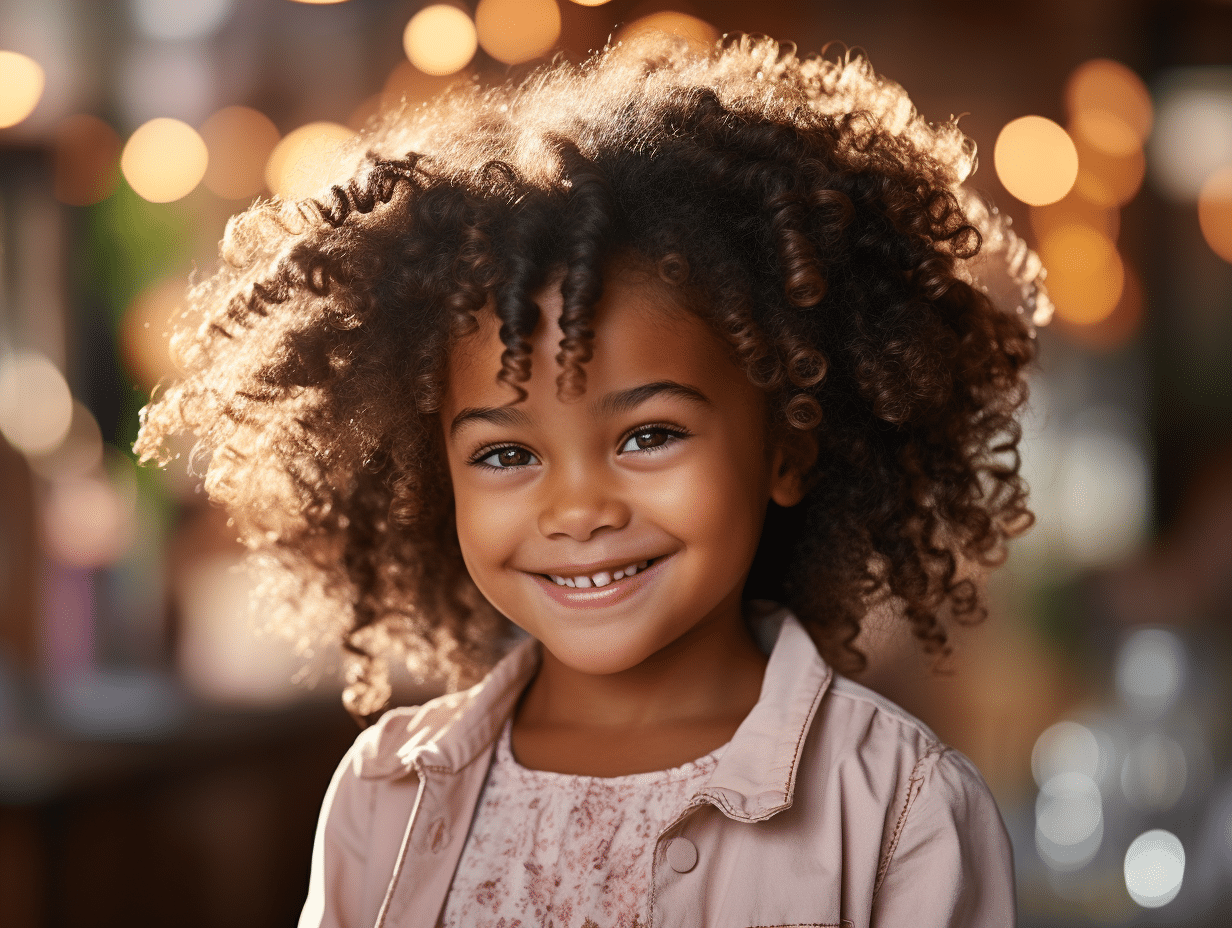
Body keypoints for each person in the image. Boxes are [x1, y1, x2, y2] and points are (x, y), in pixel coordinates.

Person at [136, 31, 1051, 928]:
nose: (577, 509)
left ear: (787, 447)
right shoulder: (385, 797)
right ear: (434, 477)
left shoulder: (897, 810)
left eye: (649, 435)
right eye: (506, 454)